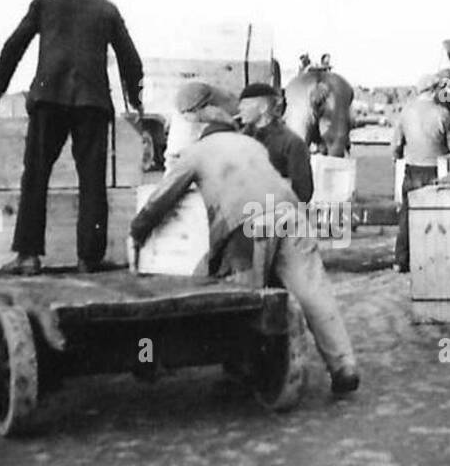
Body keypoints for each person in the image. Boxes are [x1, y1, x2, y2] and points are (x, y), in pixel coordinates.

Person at [129, 130, 359, 394]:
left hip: (247, 221)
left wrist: (137, 231)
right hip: (290, 212)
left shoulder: (196, 153)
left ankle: (242, 367)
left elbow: (164, 196)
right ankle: (344, 365)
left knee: (243, 297)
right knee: (314, 292)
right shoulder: (252, 145)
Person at [0, 0, 144, 276]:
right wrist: (135, 102)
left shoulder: (44, 2)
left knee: (36, 175)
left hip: (49, 99)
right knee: (93, 180)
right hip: (93, 103)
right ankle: (89, 258)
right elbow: (131, 59)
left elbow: (14, 44)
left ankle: (28, 256)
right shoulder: (107, 8)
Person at [392, 73, 450, 272]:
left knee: (406, 215)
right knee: (436, 219)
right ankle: (433, 260)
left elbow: (396, 144)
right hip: (436, 172)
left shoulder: (406, 112)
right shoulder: (442, 114)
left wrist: (398, 155)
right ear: (434, 90)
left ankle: (400, 260)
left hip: (411, 171)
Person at [236, 83, 313, 203]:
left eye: (245, 105)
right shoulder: (240, 139)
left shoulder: (292, 143)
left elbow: (303, 192)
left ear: (263, 108)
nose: (240, 109)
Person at [164, 81, 238, 168]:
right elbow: (217, 114)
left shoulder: (181, 114)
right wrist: (234, 123)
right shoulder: (195, 113)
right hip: (185, 160)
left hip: (176, 158)